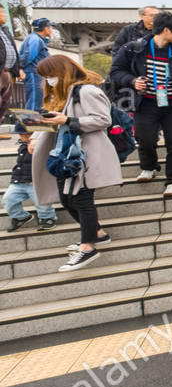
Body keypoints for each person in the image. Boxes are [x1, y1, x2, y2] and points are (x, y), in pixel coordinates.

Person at [30, 55, 121, 270]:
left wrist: (68, 120)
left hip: (84, 155)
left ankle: (87, 247)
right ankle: (97, 234)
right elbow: (54, 121)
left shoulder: (86, 91)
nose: (48, 80)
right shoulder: (62, 94)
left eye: (50, 76)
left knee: (80, 198)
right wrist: (34, 135)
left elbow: (103, 119)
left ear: (62, 73)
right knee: (67, 198)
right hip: (66, 154)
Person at [110, 10, 172, 198]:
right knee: (145, 140)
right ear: (166, 30)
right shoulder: (134, 48)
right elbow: (116, 71)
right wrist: (132, 81)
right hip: (146, 103)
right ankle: (148, 166)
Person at [3, 131, 58, 232]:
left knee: (42, 202)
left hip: (35, 182)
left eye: (26, 134)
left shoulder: (43, 145)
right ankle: (20, 217)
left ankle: (47, 218)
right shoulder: (22, 146)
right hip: (18, 181)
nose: (23, 136)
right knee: (8, 199)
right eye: (21, 134)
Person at [19, 18, 54, 110]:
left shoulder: (36, 39)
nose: (51, 30)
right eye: (50, 27)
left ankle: (28, 123)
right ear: (46, 29)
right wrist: (19, 69)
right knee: (33, 104)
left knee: (37, 103)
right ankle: (26, 123)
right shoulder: (35, 40)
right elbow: (28, 57)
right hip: (33, 74)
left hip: (36, 74)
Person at [0, 6, 23, 114]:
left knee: (5, 102)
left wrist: (19, 69)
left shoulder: (5, 30)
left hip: (8, 72)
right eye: (2, 13)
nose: (5, 15)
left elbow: (14, 50)